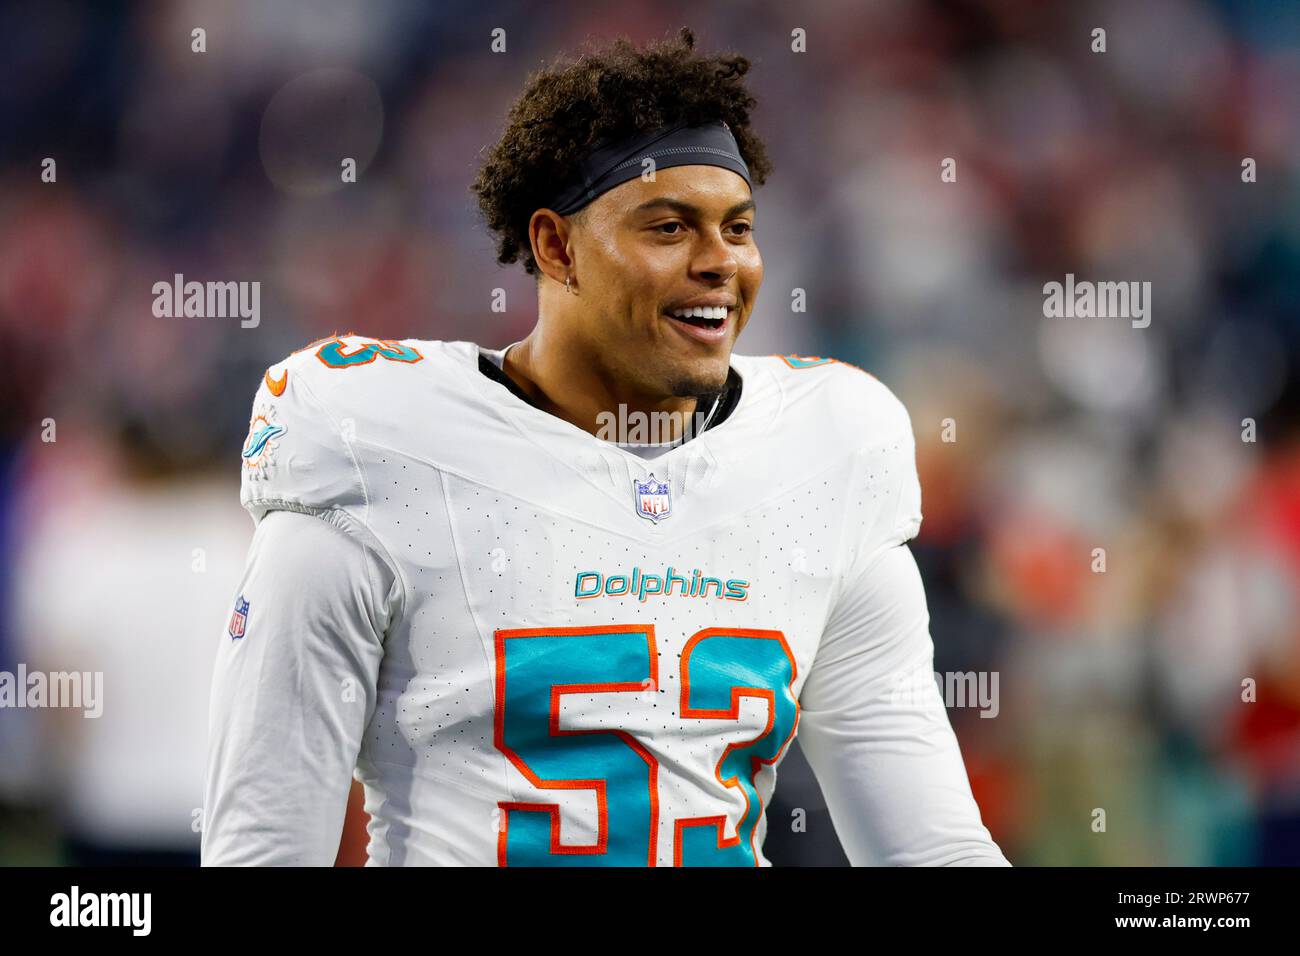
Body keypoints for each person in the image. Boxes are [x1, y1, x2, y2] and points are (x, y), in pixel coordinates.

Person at [202, 27, 1009, 867]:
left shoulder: (823, 456)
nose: (719, 264)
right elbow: (262, 852)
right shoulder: (378, 454)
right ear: (556, 247)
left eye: (737, 229)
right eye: (669, 228)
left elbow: (931, 848)